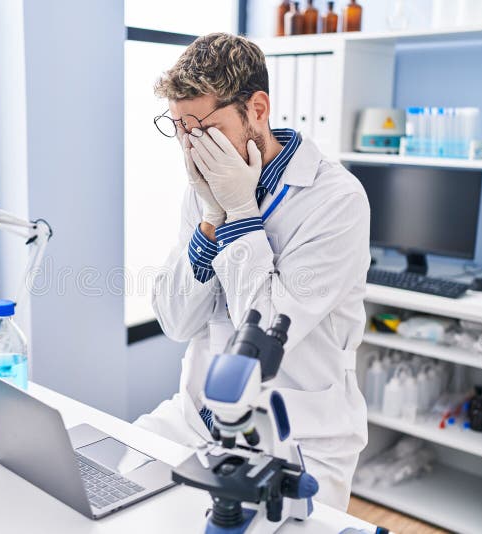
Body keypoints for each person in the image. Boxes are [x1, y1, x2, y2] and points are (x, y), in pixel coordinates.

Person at [134, 32, 370, 511]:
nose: (188, 144)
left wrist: (241, 211)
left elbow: (260, 332)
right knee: (109, 473)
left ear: (257, 110)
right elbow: (177, 322)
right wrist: (210, 216)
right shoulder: (204, 187)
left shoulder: (336, 200)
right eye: (177, 127)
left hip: (297, 437)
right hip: (199, 420)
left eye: (201, 126)